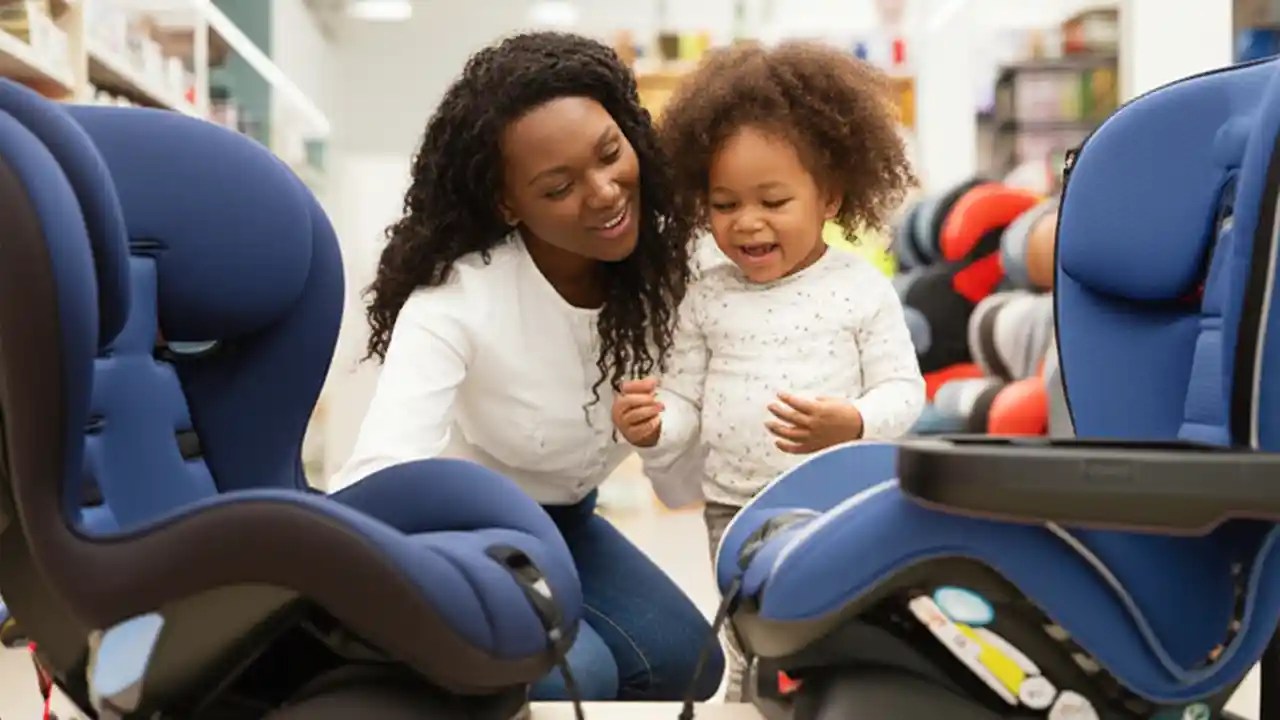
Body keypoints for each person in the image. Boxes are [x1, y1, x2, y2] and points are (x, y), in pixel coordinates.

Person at [331, 31, 723, 703]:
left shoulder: (671, 275)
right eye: (559, 186)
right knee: (587, 676)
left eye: (609, 154)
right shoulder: (457, 301)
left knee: (689, 665)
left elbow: (680, 488)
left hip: (569, 524)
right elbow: (382, 475)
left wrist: (663, 435)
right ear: (509, 203)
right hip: (461, 535)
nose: (604, 193)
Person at [611, 40, 927, 702]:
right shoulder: (705, 292)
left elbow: (905, 392)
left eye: (773, 201)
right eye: (725, 205)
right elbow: (686, 400)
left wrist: (854, 422)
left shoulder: (861, 289)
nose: (747, 222)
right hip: (734, 508)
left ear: (831, 197)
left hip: (839, 502)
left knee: (835, 635)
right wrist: (656, 427)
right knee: (749, 648)